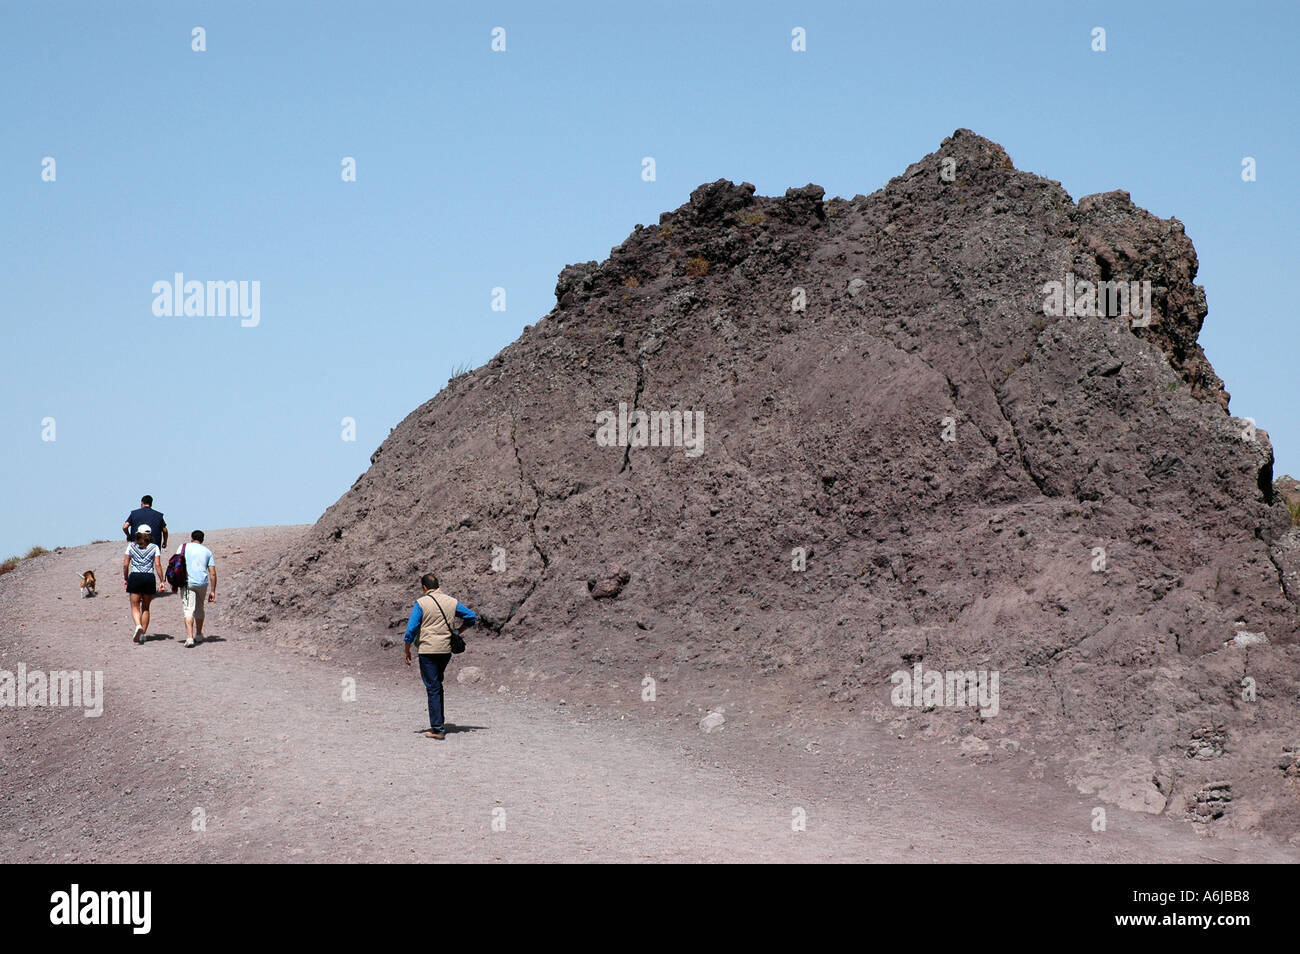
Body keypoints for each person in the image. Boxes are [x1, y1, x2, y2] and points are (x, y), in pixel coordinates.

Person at [403, 573, 478, 740]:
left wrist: (407, 650)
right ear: (437, 585)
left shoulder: (421, 603)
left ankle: (437, 729)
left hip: (428, 649)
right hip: (445, 650)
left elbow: (411, 630)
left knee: (433, 687)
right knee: (437, 684)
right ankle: (439, 723)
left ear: (424, 587)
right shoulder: (451, 601)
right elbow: (472, 617)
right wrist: (458, 631)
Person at [122, 526, 165, 644]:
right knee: (146, 607)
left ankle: (138, 626)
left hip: (135, 577)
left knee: (134, 606)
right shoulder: (154, 547)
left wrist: (125, 578)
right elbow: (157, 565)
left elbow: (126, 564)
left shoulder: (131, 546)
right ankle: (143, 634)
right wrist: (162, 581)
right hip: (149, 577)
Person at [178, 530, 216, 648]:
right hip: (202, 583)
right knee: (199, 608)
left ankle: (190, 637)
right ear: (202, 539)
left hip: (188, 582)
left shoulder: (183, 547)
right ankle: (198, 634)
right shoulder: (207, 551)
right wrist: (213, 590)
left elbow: (177, 563)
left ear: (191, 537)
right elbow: (213, 573)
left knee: (188, 609)